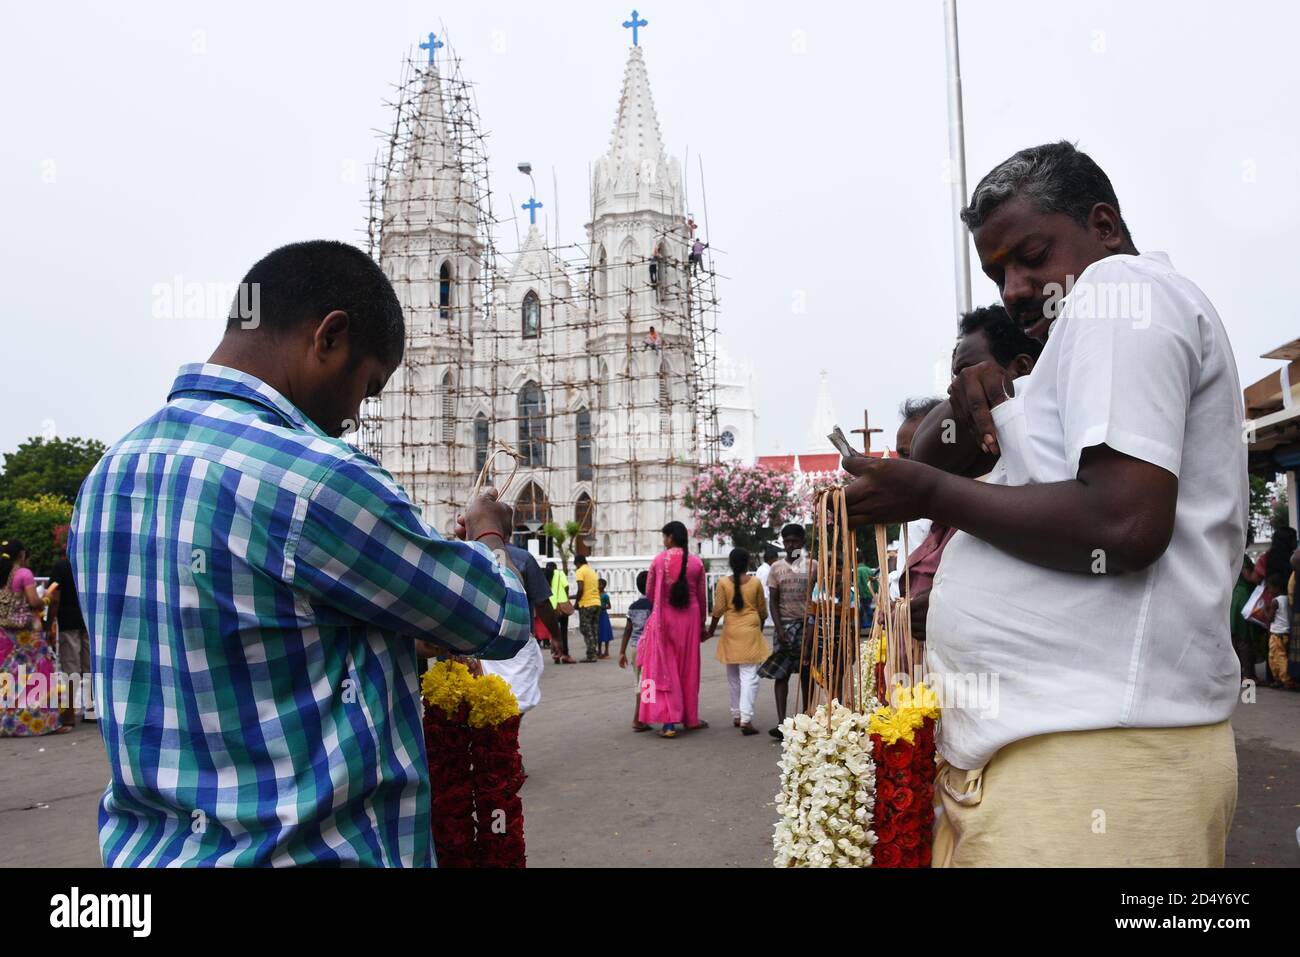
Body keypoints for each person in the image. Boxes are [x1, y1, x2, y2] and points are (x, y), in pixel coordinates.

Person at [844, 142, 1248, 866]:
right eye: (998, 272)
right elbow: (922, 457)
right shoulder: (1067, 347)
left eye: (1031, 254)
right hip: (1054, 767)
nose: (1015, 287)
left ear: (1103, 226)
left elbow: (1125, 524)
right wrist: (967, 404)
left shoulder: (1125, 290)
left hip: (1102, 767)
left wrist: (936, 494)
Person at [69, 240, 532, 867]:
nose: (353, 418)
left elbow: (249, 635)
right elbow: (498, 618)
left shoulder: (108, 477)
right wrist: (488, 534)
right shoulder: (315, 479)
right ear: (330, 337)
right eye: (367, 389)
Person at [906, 305, 1044, 639]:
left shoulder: (1052, 444)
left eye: (966, 372)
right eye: (954, 378)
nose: (957, 388)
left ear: (1022, 369)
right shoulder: (971, 455)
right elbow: (922, 455)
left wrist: (954, 606)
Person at [479, 511, 560, 715]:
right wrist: (556, 636)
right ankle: (505, 744)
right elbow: (542, 603)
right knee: (515, 707)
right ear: (509, 533)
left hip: (481, 641)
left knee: (487, 706)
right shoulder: (523, 559)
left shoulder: (473, 555)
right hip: (517, 642)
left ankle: (496, 745)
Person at [637, 521, 707, 737]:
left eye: (664, 536)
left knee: (665, 669)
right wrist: (702, 625)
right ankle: (690, 718)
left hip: (664, 619)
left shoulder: (659, 561)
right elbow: (703, 598)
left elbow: (649, 592)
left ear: (669, 538)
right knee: (689, 669)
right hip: (691, 619)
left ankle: (668, 722)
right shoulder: (696, 563)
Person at [0, 539, 67, 736]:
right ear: (21, 555)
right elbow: (34, 601)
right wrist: (47, 597)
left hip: (4, 633)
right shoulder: (23, 573)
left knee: (8, 677)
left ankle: (6, 723)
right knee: (40, 674)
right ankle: (41, 722)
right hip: (26, 635)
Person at [758, 523, 817, 739]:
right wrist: (780, 628)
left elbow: (819, 596)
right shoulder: (776, 568)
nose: (791, 544)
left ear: (802, 542)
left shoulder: (813, 566)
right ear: (783, 543)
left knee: (806, 673)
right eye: (787, 541)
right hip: (784, 627)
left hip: (807, 627)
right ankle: (782, 722)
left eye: (795, 541)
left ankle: (807, 718)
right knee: (781, 676)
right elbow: (773, 602)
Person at [705, 547, 769, 736]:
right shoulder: (755, 582)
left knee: (733, 676)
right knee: (749, 676)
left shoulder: (723, 583)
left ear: (730, 563)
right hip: (750, 631)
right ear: (748, 562)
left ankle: (736, 714)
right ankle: (746, 719)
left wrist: (710, 631)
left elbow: (717, 611)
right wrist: (759, 630)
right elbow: (762, 611)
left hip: (731, 631)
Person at [49, 540, 95, 724]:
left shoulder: (60, 567)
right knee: (89, 666)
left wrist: (49, 621)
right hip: (88, 621)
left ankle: (68, 713)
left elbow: (54, 595)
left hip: (68, 622)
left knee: (70, 667)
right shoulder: (89, 565)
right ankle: (91, 710)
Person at [619, 570, 653, 732]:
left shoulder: (633, 606)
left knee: (639, 681)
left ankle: (644, 716)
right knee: (646, 683)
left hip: (634, 646)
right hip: (649, 647)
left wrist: (621, 652)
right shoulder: (654, 606)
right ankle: (639, 718)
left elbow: (627, 630)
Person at [1264, 570, 1295, 690]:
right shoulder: (1287, 598)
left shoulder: (1275, 601)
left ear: (1276, 588)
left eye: (1270, 588)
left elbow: (1270, 618)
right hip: (1285, 633)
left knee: (1277, 658)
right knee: (1277, 657)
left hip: (1277, 634)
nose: (1269, 591)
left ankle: (1286, 680)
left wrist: (1265, 610)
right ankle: (1279, 679)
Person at [1229, 555, 1259, 682]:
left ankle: (1238, 675)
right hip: (1242, 597)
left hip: (1233, 597)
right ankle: (1248, 675)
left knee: (1234, 638)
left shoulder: (1229, 554)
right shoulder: (1243, 557)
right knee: (1244, 638)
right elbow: (1249, 577)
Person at [545, 561, 576, 664]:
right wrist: (566, 597)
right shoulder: (560, 573)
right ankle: (565, 655)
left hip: (551, 607)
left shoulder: (545, 575)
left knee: (554, 633)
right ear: (555, 567)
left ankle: (556, 655)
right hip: (562, 606)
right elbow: (566, 586)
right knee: (563, 632)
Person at [573, 555, 602, 663]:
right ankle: (594, 652)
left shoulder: (580, 571)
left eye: (575, 565)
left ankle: (591, 655)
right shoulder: (592, 571)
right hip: (596, 603)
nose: (575, 567)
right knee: (594, 629)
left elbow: (580, 589)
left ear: (578, 563)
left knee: (586, 629)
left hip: (586, 604)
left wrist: (576, 603)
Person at [755, 545, 778, 622]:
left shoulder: (761, 569)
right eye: (776, 560)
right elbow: (765, 590)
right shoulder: (766, 571)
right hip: (766, 602)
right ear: (771, 559)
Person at [597, 578, 614, 658]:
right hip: (597, 616)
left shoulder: (605, 596)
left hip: (603, 615)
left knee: (606, 633)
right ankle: (599, 651)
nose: (598, 585)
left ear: (603, 586)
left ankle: (606, 651)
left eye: (599, 584)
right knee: (598, 633)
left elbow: (609, 606)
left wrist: (603, 607)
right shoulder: (596, 595)